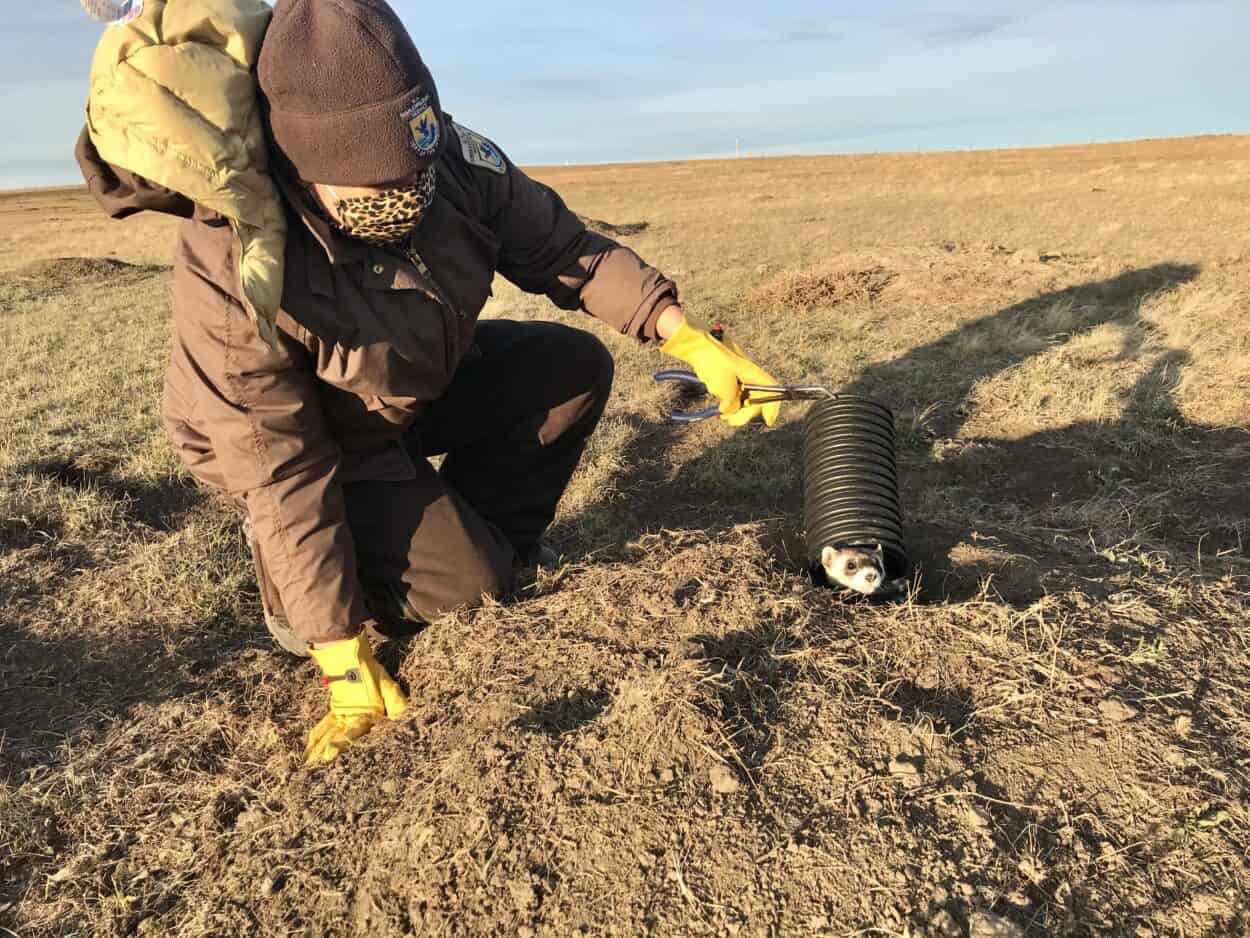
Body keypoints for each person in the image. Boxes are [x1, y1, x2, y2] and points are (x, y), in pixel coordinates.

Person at [76, 0, 781, 764]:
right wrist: (335, 648)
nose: (404, 207)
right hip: (318, 442)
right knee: (454, 587)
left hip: (411, 382)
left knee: (568, 370)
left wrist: (682, 331)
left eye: (416, 181)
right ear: (305, 174)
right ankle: (315, 604)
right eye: (372, 196)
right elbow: (278, 466)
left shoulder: (449, 162)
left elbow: (563, 247)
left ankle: (480, 553)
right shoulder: (235, 258)